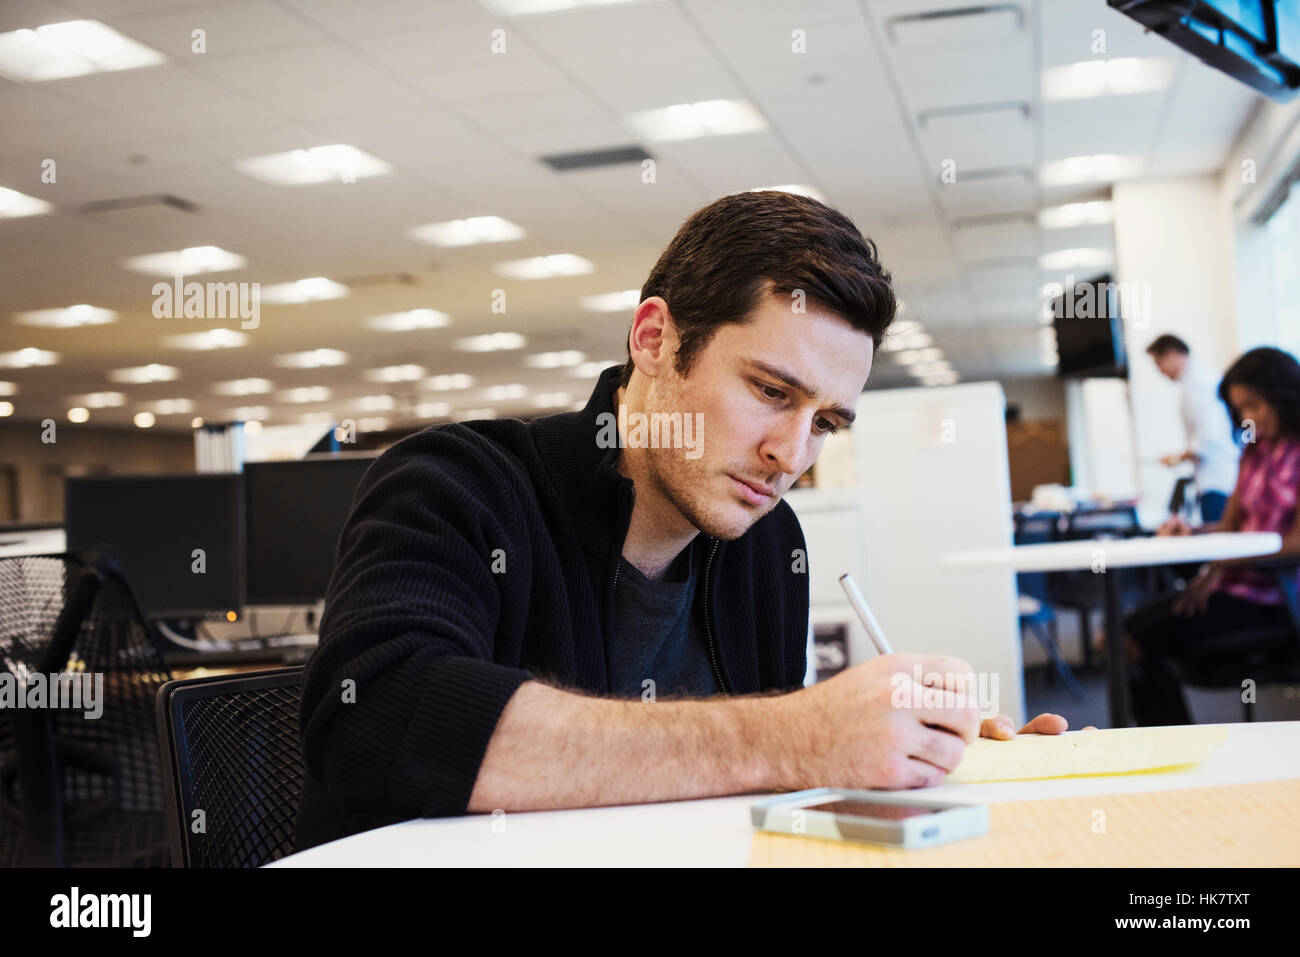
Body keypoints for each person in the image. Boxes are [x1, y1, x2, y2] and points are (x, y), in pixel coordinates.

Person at [295, 190, 1078, 851]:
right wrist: (796, 733)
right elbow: (379, 720)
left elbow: (751, 795)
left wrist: (910, 758)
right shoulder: (457, 485)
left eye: (825, 423)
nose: (790, 455)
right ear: (654, 339)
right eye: (772, 391)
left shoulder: (769, 545)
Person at [1127, 346, 1300, 726]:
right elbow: (1228, 527)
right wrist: (1190, 533)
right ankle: (1169, 751)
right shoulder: (1253, 451)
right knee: (1123, 633)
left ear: (1283, 395)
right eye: (1241, 409)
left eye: (1255, 405)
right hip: (1233, 587)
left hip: (1277, 600)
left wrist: (1219, 563)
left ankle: (1171, 754)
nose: (1248, 417)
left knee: (1137, 641)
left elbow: (1296, 543)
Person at [1147, 334, 1238, 523]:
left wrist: (1177, 458)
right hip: (1218, 477)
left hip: (1216, 480)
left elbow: (1208, 438)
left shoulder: (1196, 385)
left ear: (1172, 354)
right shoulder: (1201, 377)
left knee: (1219, 544)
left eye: (1158, 363)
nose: (1160, 371)